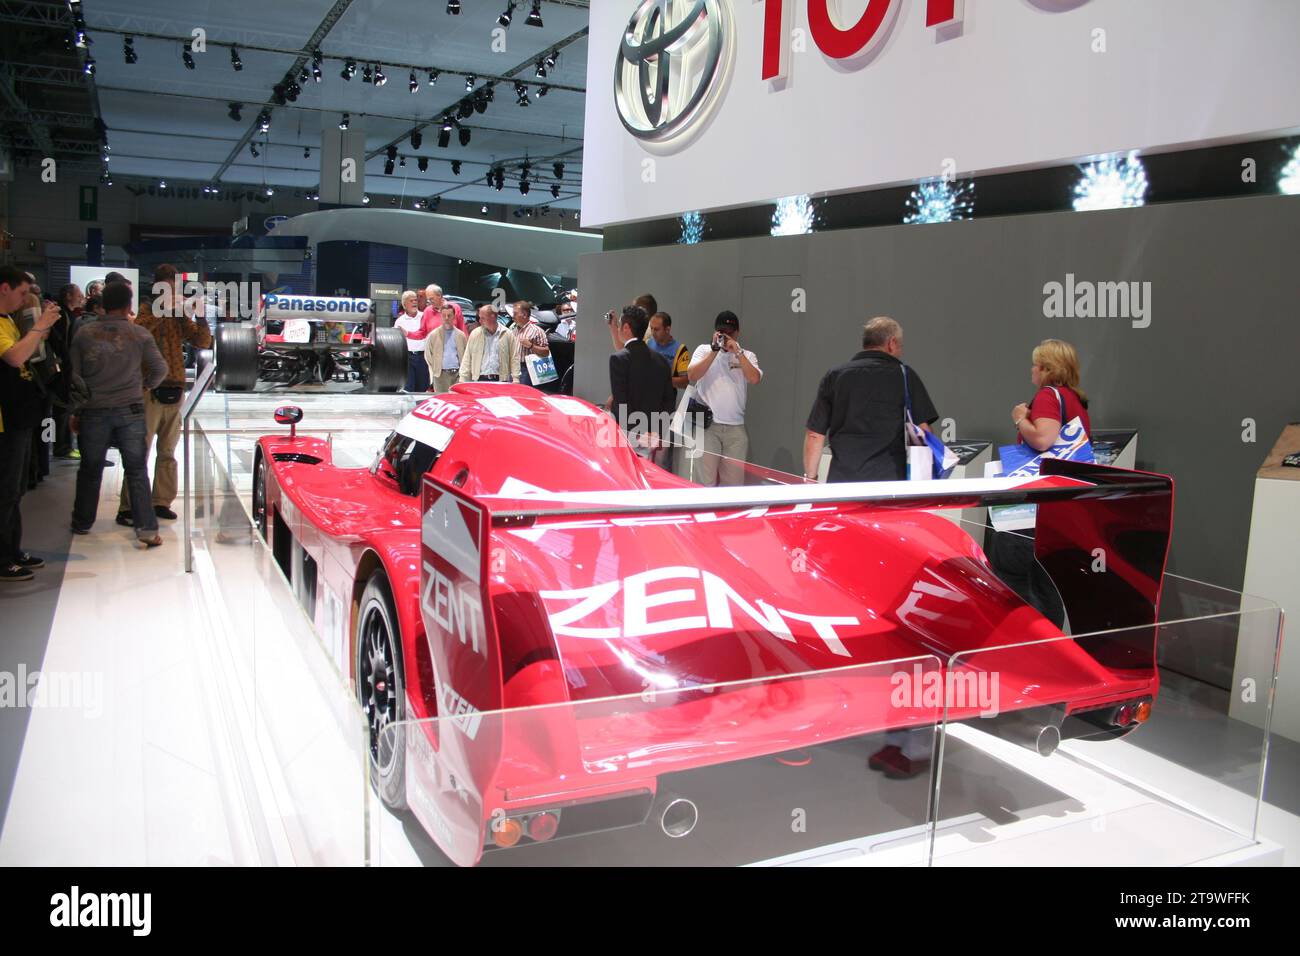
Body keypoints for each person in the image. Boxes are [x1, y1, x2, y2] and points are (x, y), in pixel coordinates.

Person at [986, 338, 1092, 628]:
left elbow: (1043, 439)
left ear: (1046, 368)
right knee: (1048, 587)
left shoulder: (1047, 395)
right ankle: (1050, 652)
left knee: (1012, 578)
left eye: (1034, 364)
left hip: (1031, 508)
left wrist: (1020, 418)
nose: (1031, 370)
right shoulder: (1074, 400)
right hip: (1058, 509)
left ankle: (1017, 647)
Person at [71, 281, 168, 547]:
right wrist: (144, 386)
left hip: (93, 410)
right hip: (132, 409)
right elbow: (160, 369)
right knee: (137, 470)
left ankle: (82, 523)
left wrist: (77, 410)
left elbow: (75, 377)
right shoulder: (139, 334)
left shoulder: (84, 333)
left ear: (103, 303)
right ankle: (147, 530)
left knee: (90, 469)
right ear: (129, 305)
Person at [116, 264, 211, 527]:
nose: (172, 291)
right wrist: (165, 308)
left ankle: (161, 501)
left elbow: (202, 342)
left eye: (174, 287)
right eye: (167, 286)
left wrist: (200, 317)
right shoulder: (147, 310)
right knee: (140, 452)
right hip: (147, 390)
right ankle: (128, 506)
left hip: (175, 387)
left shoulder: (178, 314)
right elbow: (139, 331)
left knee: (168, 451)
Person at [803, 317, 939, 483]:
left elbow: (814, 435)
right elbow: (923, 431)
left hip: (843, 481)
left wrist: (811, 478)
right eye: (900, 346)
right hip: (890, 483)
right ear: (892, 343)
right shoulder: (905, 376)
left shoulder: (835, 375)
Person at [0, 266, 61, 582]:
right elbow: (14, 357)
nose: (25, 299)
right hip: (5, 420)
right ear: (4, 288)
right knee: (6, 490)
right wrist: (39, 326)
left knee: (16, 490)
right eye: (22, 293)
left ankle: (12, 550)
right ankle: (3, 558)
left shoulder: (8, 321)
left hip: (20, 417)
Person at [685, 311, 762, 486]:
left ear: (737, 333)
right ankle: (704, 513)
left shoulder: (747, 356)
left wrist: (738, 352)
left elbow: (755, 378)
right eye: (722, 332)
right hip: (707, 426)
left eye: (730, 332)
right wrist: (714, 351)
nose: (726, 337)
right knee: (705, 482)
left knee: (733, 485)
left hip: (735, 429)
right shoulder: (703, 350)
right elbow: (692, 375)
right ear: (715, 332)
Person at [609, 305, 676, 462]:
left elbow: (621, 401)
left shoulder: (619, 359)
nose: (617, 328)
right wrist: (657, 431)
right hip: (651, 437)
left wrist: (636, 433)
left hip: (626, 436)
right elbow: (669, 400)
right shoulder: (662, 361)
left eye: (619, 324)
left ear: (626, 327)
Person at [51, 283, 85, 459]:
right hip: (62, 369)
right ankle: (62, 447)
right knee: (62, 408)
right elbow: (60, 342)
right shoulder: (61, 315)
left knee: (66, 407)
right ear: (68, 296)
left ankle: (64, 445)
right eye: (78, 294)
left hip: (66, 367)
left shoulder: (70, 315)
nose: (81, 297)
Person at [460, 304, 522, 383]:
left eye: (482, 318)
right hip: (479, 380)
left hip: (501, 380)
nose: (480, 321)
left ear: (493, 317)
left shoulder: (507, 334)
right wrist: (463, 378)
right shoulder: (475, 334)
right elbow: (467, 357)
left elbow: (514, 357)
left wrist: (516, 378)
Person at [394, 290, 434, 392]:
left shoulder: (424, 316)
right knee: (408, 387)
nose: (414, 302)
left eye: (415, 300)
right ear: (404, 304)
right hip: (407, 358)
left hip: (423, 357)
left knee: (422, 387)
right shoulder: (399, 321)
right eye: (411, 301)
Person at [425, 302, 467, 393]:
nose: (446, 318)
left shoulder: (461, 335)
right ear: (441, 316)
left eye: (449, 315)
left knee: (456, 401)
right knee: (441, 400)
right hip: (440, 376)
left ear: (454, 316)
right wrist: (436, 370)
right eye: (444, 315)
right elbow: (428, 355)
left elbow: (465, 355)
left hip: (457, 375)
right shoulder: (433, 335)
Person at [510, 301, 550, 384]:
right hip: (514, 368)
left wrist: (531, 346)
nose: (512, 317)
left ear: (524, 314)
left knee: (524, 394)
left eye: (515, 313)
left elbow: (546, 352)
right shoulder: (514, 331)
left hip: (528, 369)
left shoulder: (536, 331)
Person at [648, 312, 690, 389]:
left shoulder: (680, 349)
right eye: (651, 328)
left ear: (667, 329)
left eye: (656, 329)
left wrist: (660, 380)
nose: (653, 333)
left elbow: (685, 382)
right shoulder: (647, 342)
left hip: (666, 397)